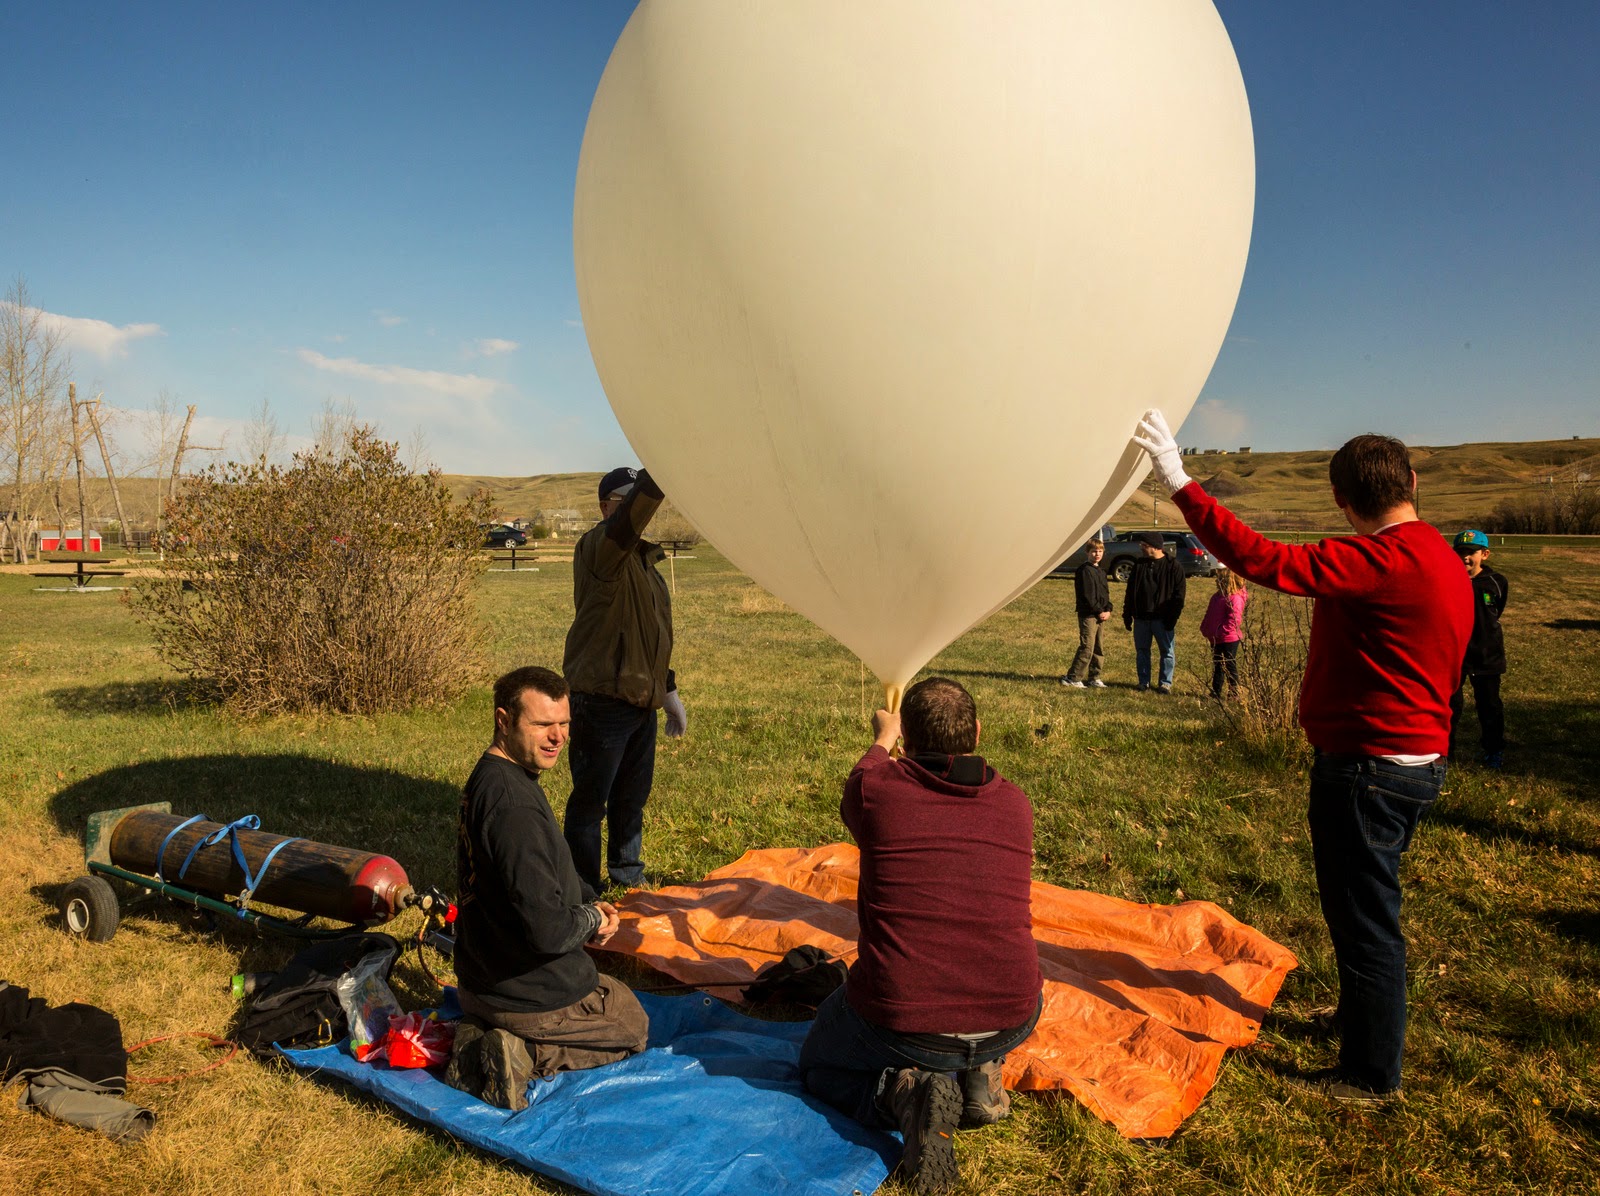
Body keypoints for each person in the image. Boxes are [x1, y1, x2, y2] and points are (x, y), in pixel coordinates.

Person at [1134, 409, 1472, 1103]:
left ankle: (1372, 1074)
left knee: (1367, 920)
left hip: (1368, 770)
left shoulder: (1379, 560)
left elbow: (1263, 559)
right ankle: (1358, 1023)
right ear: (1410, 482)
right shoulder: (1439, 554)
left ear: (1342, 501)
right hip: (1415, 762)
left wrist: (1178, 479)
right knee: (1362, 910)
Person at [798, 677, 1041, 1195]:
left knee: (819, 1065)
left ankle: (901, 1094)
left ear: (906, 741)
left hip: (901, 1021)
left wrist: (881, 738)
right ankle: (981, 1072)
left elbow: (866, 771)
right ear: (978, 732)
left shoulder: (875, 792)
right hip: (1011, 1016)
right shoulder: (1016, 806)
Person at [447, 666, 649, 1111]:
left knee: (609, 990)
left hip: (481, 978)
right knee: (630, 1023)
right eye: (542, 724)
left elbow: (550, 874)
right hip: (523, 997)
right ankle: (519, 1055)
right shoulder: (514, 808)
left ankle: (486, 1029)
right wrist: (594, 919)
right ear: (504, 720)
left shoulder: (493, 778)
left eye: (564, 724)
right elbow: (548, 932)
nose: (558, 737)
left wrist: (590, 900)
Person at [562, 466, 687, 894]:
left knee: (631, 798)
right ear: (606, 506)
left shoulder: (645, 566)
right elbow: (634, 515)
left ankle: (626, 873)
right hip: (601, 701)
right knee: (589, 804)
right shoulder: (601, 549)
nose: (637, 506)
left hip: (638, 702)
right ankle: (581, 890)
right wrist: (662, 458)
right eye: (626, 497)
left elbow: (647, 635)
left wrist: (667, 689)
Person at [1448, 529, 1509, 768]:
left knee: (1489, 705)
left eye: (1471, 552)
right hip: (1455, 655)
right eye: (1460, 551)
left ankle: (1493, 750)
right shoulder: (1449, 580)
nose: (1465, 557)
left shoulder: (1496, 582)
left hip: (1487, 655)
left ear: (1484, 554)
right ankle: (1446, 751)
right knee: (1451, 705)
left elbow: (1498, 609)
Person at [1122, 530, 1186, 692]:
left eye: (1144, 545)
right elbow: (1130, 592)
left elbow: (1179, 596)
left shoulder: (1173, 566)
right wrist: (1127, 614)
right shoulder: (1139, 565)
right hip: (1141, 618)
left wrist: (1172, 618)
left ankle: (1165, 683)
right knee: (1142, 651)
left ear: (1154, 547)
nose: (1141, 548)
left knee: (1167, 652)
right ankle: (1144, 682)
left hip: (1163, 619)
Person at [1061, 538, 1112, 688]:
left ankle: (1094, 677)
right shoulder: (1084, 571)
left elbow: (1105, 594)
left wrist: (1108, 609)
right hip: (1088, 615)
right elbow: (1088, 596)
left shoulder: (1101, 571)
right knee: (1087, 646)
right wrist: (1099, 611)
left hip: (1101, 614)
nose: (1097, 554)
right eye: (1094, 551)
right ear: (1087, 552)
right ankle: (1073, 678)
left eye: (1100, 551)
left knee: (1098, 647)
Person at [1200, 567, 1248, 699]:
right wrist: (1205, 627)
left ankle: (1234, 691)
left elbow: (1234, 619)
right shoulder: (1217, 597)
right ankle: (1216, 690)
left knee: (1229, 664)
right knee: (1217, 664)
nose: (1217, 581)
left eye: (1220, 579)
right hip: (1216, 637)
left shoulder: (1234, 598)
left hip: (1229, 638)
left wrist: (1222, 631)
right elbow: (1209, 614)